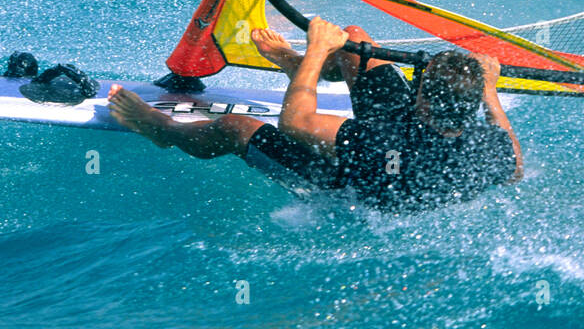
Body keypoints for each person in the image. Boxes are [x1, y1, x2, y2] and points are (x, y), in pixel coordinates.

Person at [107, 18, 522, 211]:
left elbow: (296, 125)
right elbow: (516, 164)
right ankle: (298, 68)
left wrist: (319, 47)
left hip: (354, 184)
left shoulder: (384, 143)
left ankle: (161, 129)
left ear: (424, 101)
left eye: (420, 79)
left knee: (238, 128)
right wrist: (489, 90)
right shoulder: (486, 140)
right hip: (413, 131)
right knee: (357, 43)